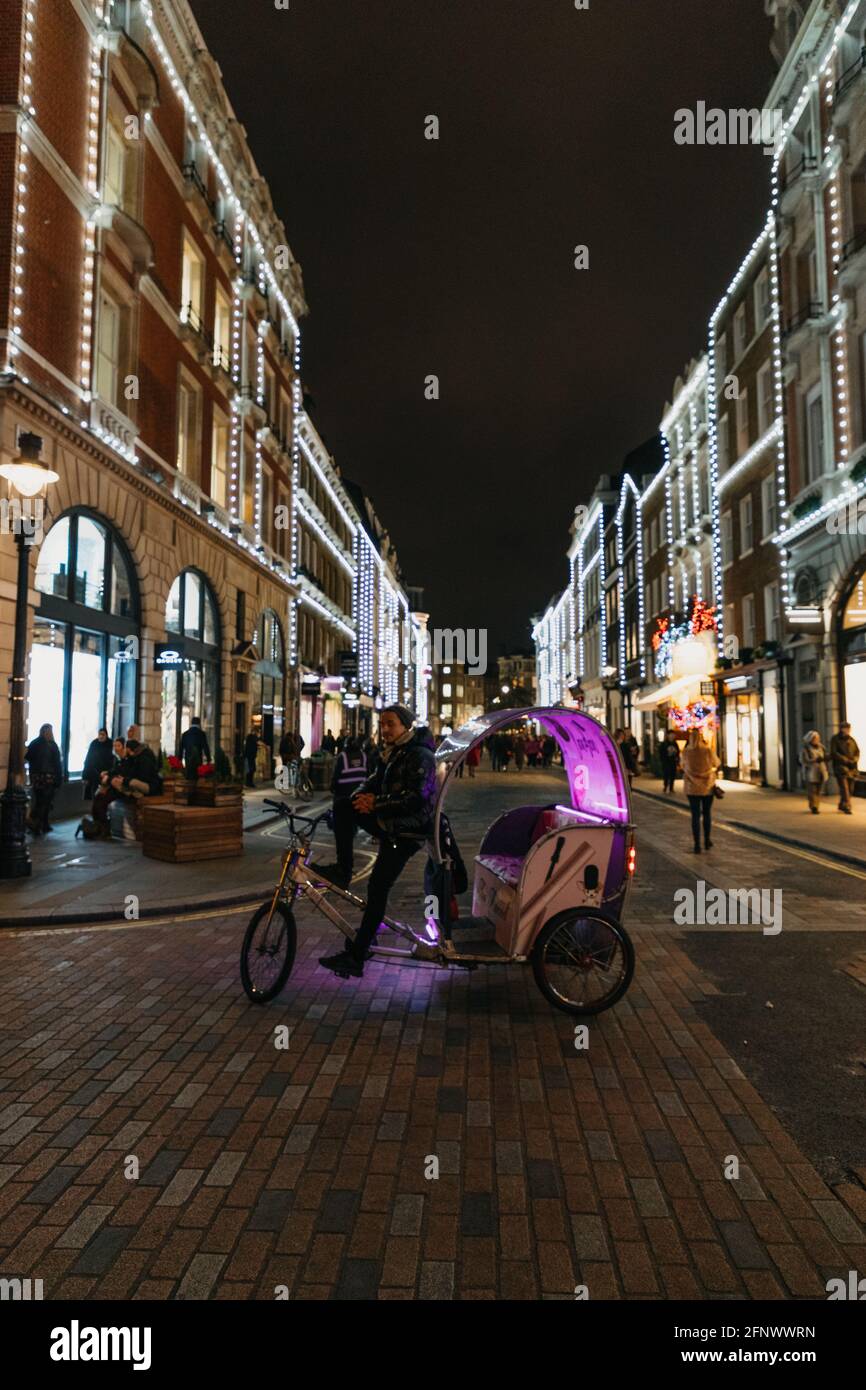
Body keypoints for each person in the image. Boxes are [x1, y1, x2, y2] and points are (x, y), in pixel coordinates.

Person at [316, 704, 436, 980]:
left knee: (378, 887)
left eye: (390, 724)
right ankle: (358, 945)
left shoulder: (420, 755)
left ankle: (357, 954)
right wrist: (360, 797)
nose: (384, 729)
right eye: (382, 724)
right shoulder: (394, 753)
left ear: (405, 726)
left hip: (407, 831)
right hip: (392, 824)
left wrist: (376, 803)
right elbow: (371, 781)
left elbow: (417, 798)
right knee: (344, 807)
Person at [682, 727, 720, 853]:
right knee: (707, 813)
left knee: (695, 816)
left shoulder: (686, 752)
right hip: (707, 786)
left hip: (692, 788)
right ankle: (707, 840)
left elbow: (683, 765)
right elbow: (716, 763)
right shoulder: (707, 750)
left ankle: (697, 844)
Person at [25, 724, 64, 834]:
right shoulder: (52, 745)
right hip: (48, 777)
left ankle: (38, 824)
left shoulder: (34, 743)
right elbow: (57, 763)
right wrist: (59, 779)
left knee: (40, 800)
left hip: (37, 777)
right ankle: (39, 824)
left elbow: (28, 757)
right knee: (45, 801)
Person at [829, 721, 860, 814]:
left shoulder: (851, 739)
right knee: (844, 788)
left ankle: (842, 804)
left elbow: (857, 751)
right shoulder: (835, 739)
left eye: (848, 728)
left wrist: (855, 759)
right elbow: (834, 753)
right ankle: (847, 806)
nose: (847, 730)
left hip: (851, 767)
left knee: (850, 788)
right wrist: (844, 759)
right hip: (840, 767)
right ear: (841, 729)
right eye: (845, 728)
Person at [800, 730, 829, 814]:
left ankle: (816, 805)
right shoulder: (806, 748)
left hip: (821, 771)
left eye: (818, 738)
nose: (817, 740)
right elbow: (804, 760)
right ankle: (814, 806)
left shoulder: (821, 747)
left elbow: (825, 756)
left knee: (818, 790)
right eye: (815, 738)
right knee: (812, 790)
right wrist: (815, 760)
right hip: (811, 772)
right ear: (810, 739)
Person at [82, 728, 113, 799]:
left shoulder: (110, 744)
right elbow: (88, 759)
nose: (101, 736)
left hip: (107, 773)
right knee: (95, 795)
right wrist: (85, 776)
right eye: (100, 734)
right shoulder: (94, 744)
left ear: (106, 735)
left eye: (103, 734)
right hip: (94, 773)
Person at [179, 716, 211, 781]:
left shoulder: (185, 734)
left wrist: (179, 760)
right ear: (199, 724)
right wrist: (208, 759)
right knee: (197, 777)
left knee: (188, 777)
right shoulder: (202, 734)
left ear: (191, 723)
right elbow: (205, 747)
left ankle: (188, 789)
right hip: (198, 759)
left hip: (188, 759)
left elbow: (181, 748)